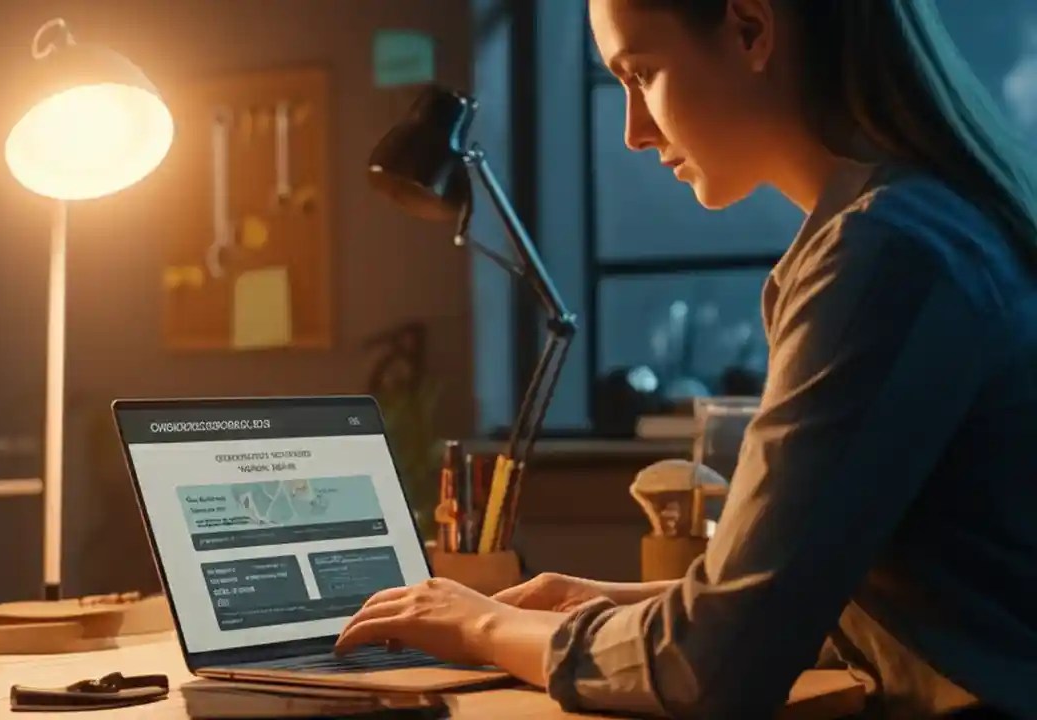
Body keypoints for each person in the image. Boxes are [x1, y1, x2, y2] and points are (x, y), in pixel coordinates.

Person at [334, 0, 1037, 717]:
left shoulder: (887, 256)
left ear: (751, 28)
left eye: (641, 74)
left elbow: (715, 667)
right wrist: (607, 603)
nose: (634, 133)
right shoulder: (932, 223)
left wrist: (480, 625)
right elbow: (830, 610)